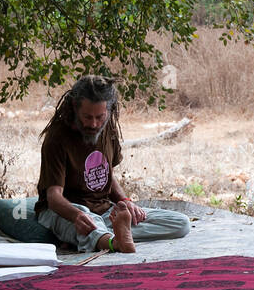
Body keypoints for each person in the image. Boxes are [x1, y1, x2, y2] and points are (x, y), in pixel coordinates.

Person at [35, 75, 190, 253]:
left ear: (108, 111)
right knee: (87, 221)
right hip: (65, 211)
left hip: (104, 211)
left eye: (100, 117)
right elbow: (54, 198)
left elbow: (108, 174)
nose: (94, 124)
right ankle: (114, 242)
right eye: (87, 117)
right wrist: (77, 215)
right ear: (75, 109)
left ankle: (99, 236)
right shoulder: (57, 137)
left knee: (180, 224)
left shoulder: (108, 128)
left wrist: (125, 201)